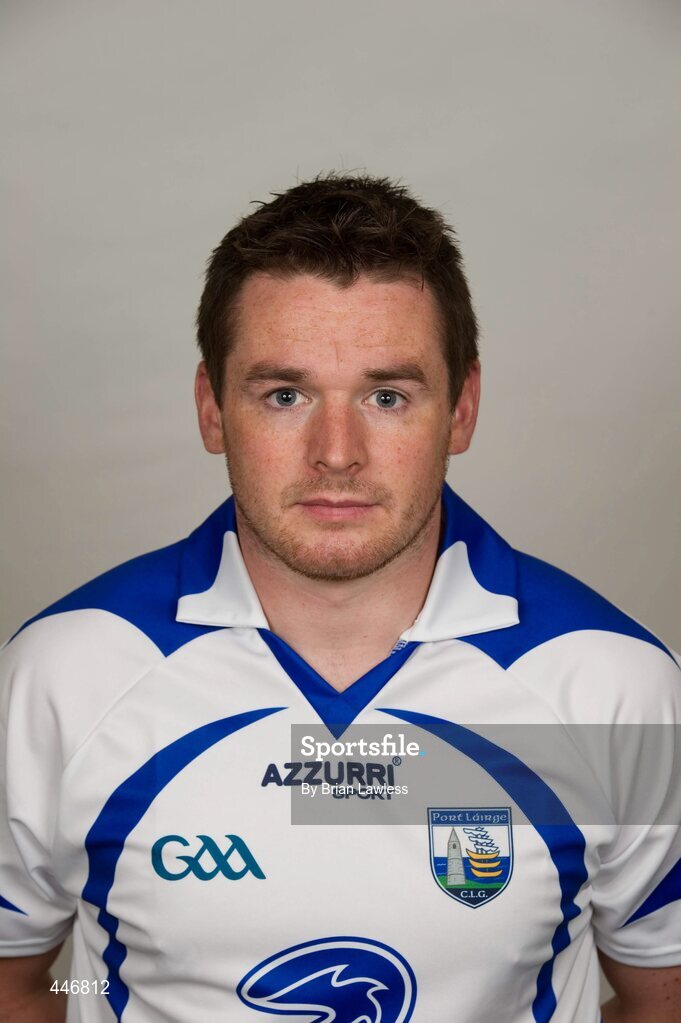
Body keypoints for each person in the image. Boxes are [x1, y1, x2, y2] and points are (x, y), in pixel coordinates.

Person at [0, 174, 679, 1023]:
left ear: (460, 409)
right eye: (284, 395)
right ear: (212, 409)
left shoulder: (609, 685)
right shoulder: (66, 674)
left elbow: (660, 996)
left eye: (386, 395)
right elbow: (23, 985)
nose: (336, 452)